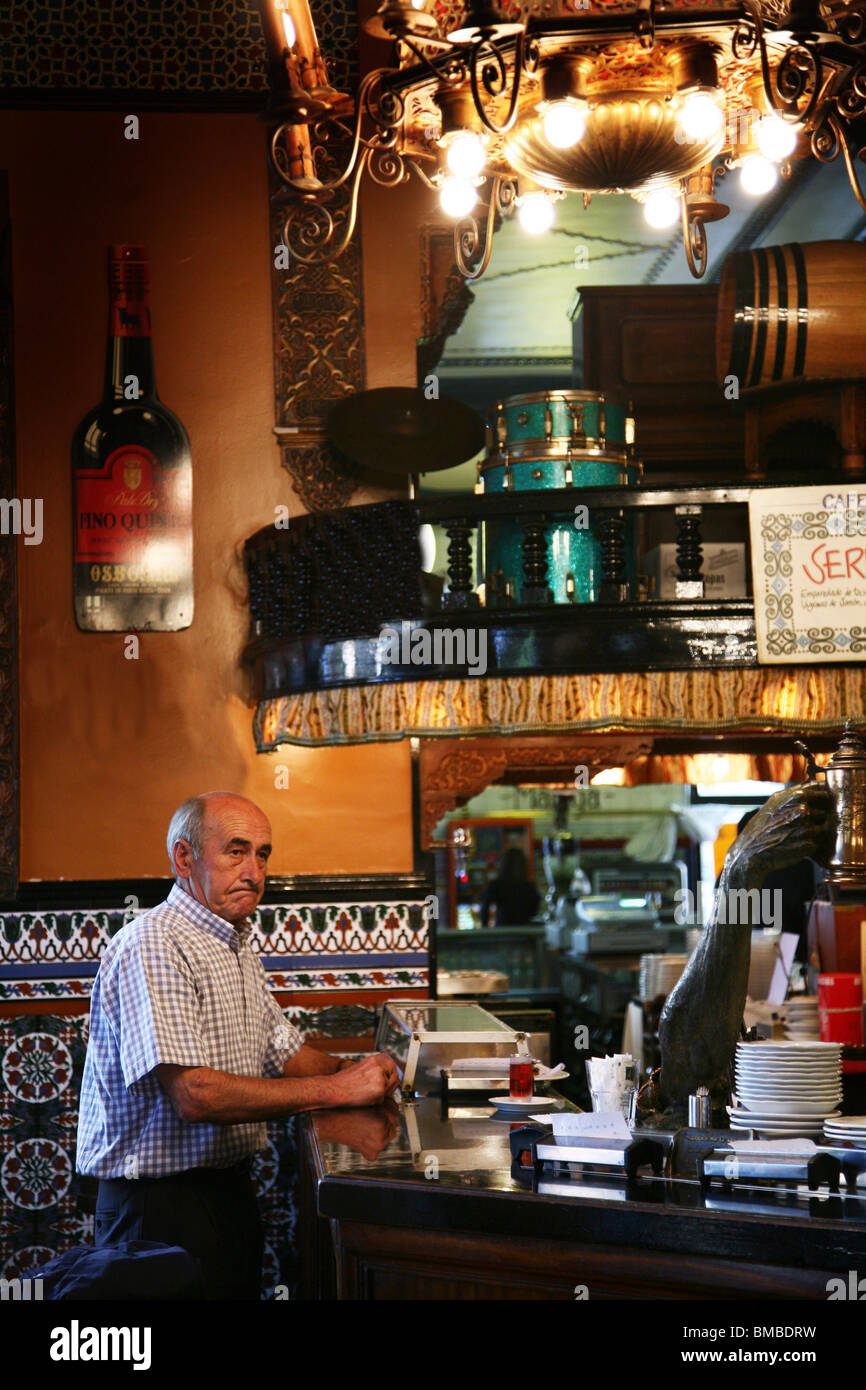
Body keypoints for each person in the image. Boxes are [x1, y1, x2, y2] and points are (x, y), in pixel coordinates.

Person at [76, 791, 399, 1299]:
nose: (254, 871)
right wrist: (339, 1090)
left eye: (263, 854)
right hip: (157, 1209)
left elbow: (284, 1051)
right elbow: (195, 1095)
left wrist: (352, 1070)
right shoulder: (154, 941)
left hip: (225, 1193)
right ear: (185, 859)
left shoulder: (236, 941)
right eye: (236, 851)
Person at [480, 846, 541, 927]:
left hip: (502, 929)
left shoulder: (496, 885)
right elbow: (534, 910)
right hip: (524, 930)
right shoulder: (529, 886)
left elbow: (485, 908)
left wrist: (485, 927)